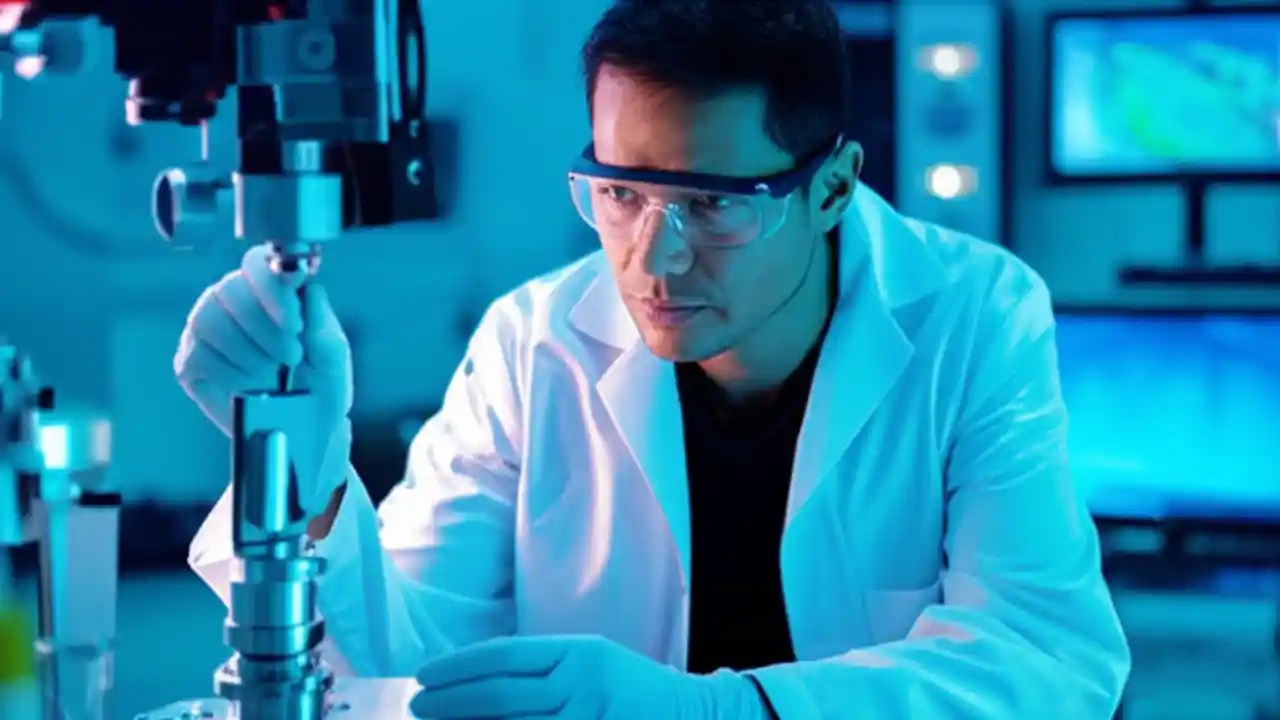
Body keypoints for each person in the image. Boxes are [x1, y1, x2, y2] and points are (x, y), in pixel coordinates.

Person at [176, 0, 1131, 717]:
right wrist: (304, 478)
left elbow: (1042, 660)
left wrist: (713, 710)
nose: (653, 258)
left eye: (714, 205)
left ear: (833, 187)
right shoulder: (532, 343)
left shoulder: (975, 317)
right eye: (621, 193)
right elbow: (405, 665)